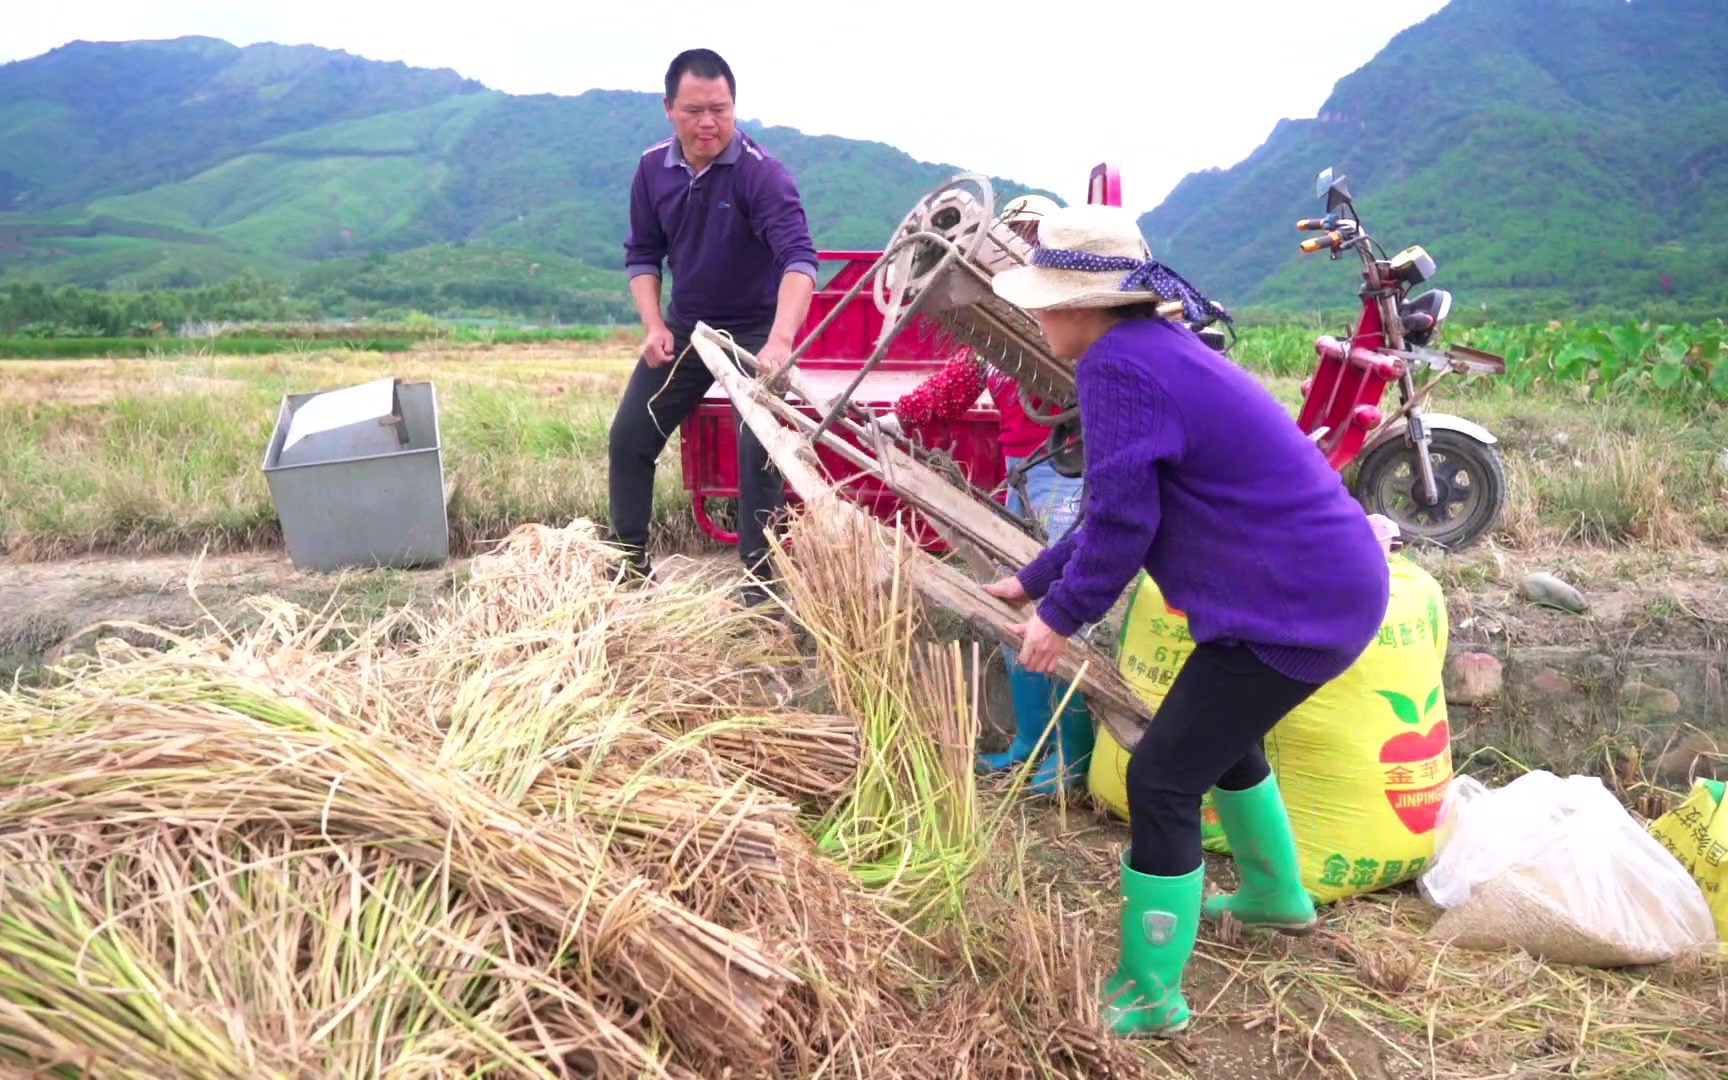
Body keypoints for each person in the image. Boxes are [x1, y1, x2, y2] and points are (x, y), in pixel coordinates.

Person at [982, 204, 1391, 1038]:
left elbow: (1124, 530)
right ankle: (1278, 897)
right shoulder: (1151, 350)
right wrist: (1031, 583)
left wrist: (1059, 619)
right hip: (1317, 587)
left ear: (1086, 304)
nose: (1038, 314)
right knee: (1215, 737)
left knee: (1162, 777)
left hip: (1296, 607)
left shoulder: (1116, 370)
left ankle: (1149, 993)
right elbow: (1115, 512)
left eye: (1047, 300)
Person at [871, 194, 1096, 795]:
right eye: (1010, 233)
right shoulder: (996, 333)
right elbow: (954, 386)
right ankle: (1028, 743)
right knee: (1011, 614)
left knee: (1055, 615)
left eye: (1027, 236)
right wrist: (897, 420)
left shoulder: (1060, 329)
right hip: (1022, 475)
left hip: (1065, 473)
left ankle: (1069, 761)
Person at [609, 48, 819, 604]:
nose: (709, 123)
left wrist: (779, 343)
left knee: (761, 447)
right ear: (669, 109)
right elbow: (643, 254)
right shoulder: (652, 169)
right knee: (630, 436)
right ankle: (630, 571)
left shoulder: (762, 175)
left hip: (754, 333)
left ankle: (759, 586)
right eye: (695, 110)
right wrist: (654, 323)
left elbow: (800, 260)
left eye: (721, 109)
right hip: (687, 328)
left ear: (734, 106)